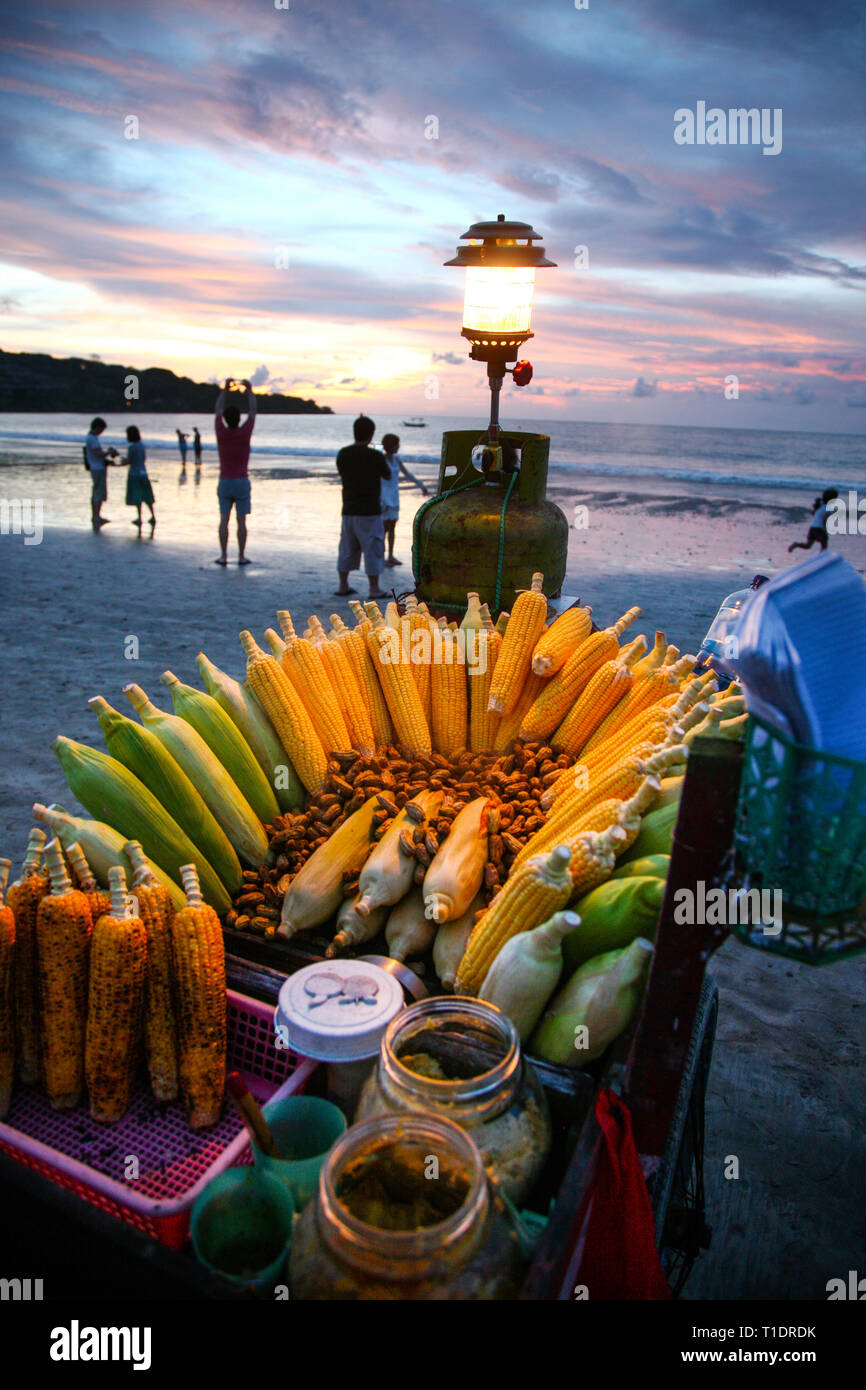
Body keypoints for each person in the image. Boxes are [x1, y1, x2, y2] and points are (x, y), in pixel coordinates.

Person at [334, 415, 390, 599]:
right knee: (373, 548)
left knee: (346, 548)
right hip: (369, 510)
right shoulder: (375, 455)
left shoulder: (343, 453)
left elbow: (342, 472)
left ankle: (343, 585)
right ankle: (374, 588)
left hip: (348, 508)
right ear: (371, 434)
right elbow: (387, 475)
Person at [213, 378, 256, 565]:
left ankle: (223, 556)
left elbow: (217, 410)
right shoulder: (244, 433)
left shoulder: (221, 432)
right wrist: (249, 390)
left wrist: (225, 390)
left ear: (226, 418)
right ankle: (241, 556)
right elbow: (253, 411)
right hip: (241, 481)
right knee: (241, 521)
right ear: (239, 418)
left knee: (224, 519)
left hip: (225, 481)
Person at [379, 433, 428, 567]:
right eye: (397, 444)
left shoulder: (396, 459)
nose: (398, 447)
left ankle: (390, 556)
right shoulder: (382, 460)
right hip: (384, 497)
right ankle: (381, 557)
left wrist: (421, 485)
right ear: (391, 446)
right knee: (384, 529)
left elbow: (407, 474)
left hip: (394, 496)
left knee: (393, 527)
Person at [85, 417, 118, 528]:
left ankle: (96, 516)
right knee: (98, 493)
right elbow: (98, 454)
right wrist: (109, 452)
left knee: (97, 492)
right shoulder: (92, 439)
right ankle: (96, 516)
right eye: (101, 429)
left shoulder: (91, 438)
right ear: (97, 427)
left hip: (96, 467)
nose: (101, 432)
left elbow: (97, 454)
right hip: (97, 468)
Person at [120, 426, 155, 530]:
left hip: (134, 474)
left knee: (137, 497)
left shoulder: (132, 447)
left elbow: (128, 461)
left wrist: (121, 460)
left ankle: (139, 518)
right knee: (147, 496)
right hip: (143, 472)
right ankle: (153, 516)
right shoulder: (142, 445)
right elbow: (143, 459)